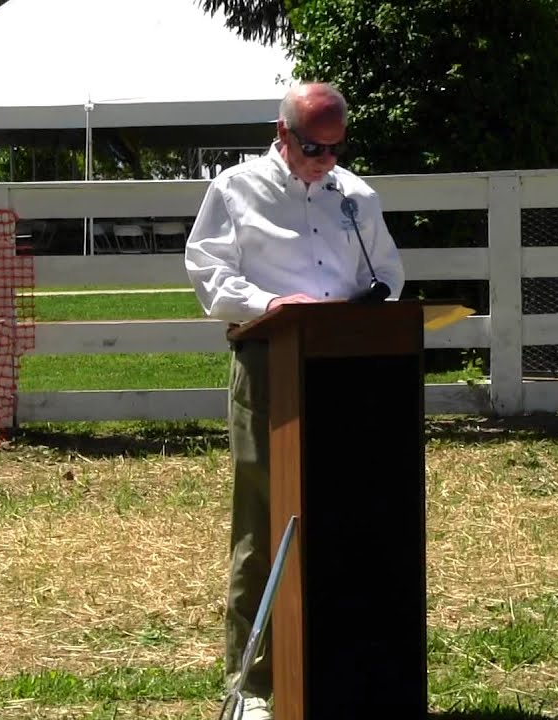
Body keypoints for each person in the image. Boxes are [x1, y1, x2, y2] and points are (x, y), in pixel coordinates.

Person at [183, 82, 405, 720]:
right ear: (282, 134)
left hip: (349, 368)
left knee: (349, 515)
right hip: (270, 362)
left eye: (336, 148)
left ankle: (340, 663)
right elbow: (208, 270)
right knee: (265, 517)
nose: (325, 160)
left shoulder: (356, 196)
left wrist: (370, 303)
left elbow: (387, 273)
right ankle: (252, 687)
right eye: (312, 147)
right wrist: (271, 305)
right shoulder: (235, 188)